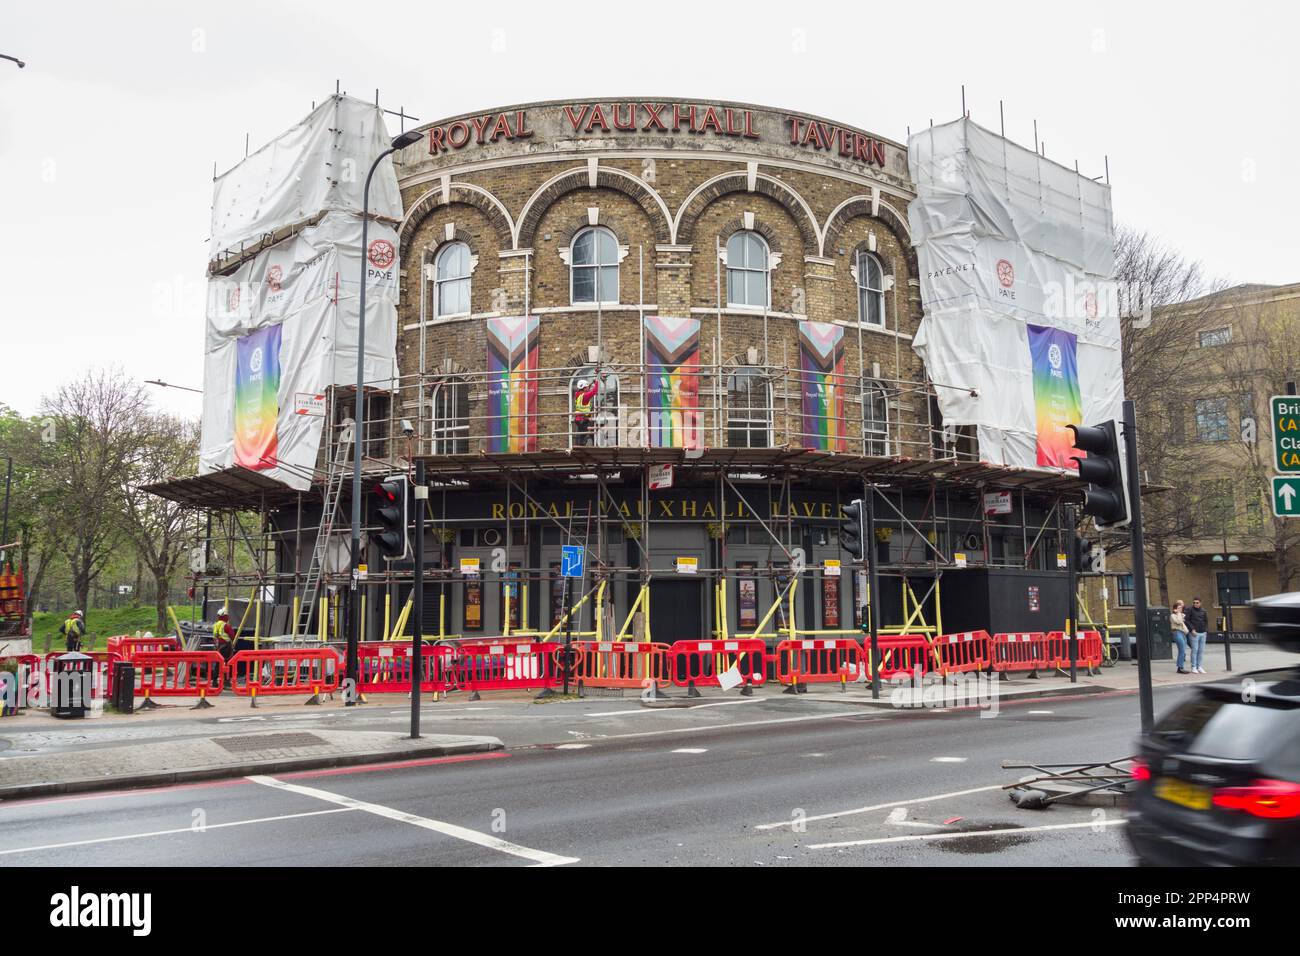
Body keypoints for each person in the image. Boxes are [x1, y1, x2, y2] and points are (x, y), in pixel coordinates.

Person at [1185, 596, 1210, 674]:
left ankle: (1199, 666)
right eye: (1194, 602)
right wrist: (1192, 629)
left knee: (1201, 650)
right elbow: (1187, 620)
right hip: (1194, 633)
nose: (1195, 604)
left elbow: (1206, 621)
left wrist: (1206, 630)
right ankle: (1193, 667)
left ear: (1200, 603)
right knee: (1195, 650)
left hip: (1203, 633)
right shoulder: (1189, 610)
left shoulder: (1204, 611)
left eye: (1197, 602)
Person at [573, 377, 600, 446]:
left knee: (582, 434)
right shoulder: (585, 396)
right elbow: (594, 391)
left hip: (579, 419)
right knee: (584, 435)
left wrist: (591, 383)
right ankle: (582, 446)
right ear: (584, 388)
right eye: (587, 387)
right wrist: (596, 382)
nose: (588, 388)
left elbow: (586, 390)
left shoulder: (577, 394)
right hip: (583, 419)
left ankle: (579, 445)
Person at [1170, 600, 1190, 674]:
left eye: (1181, 608)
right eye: (1178, 608)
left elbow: (1182, 622)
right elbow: (1178, 621)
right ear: (1175, 609)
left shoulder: (1181, 615)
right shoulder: (1173, 616)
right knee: (1181, 650)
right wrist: (1178, 613)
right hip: (1177, 633)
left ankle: (1181, 667)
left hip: (1183, 633)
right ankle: (1180, 667)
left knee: (1183, 650)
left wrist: (1180, 613)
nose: (1180, 609)